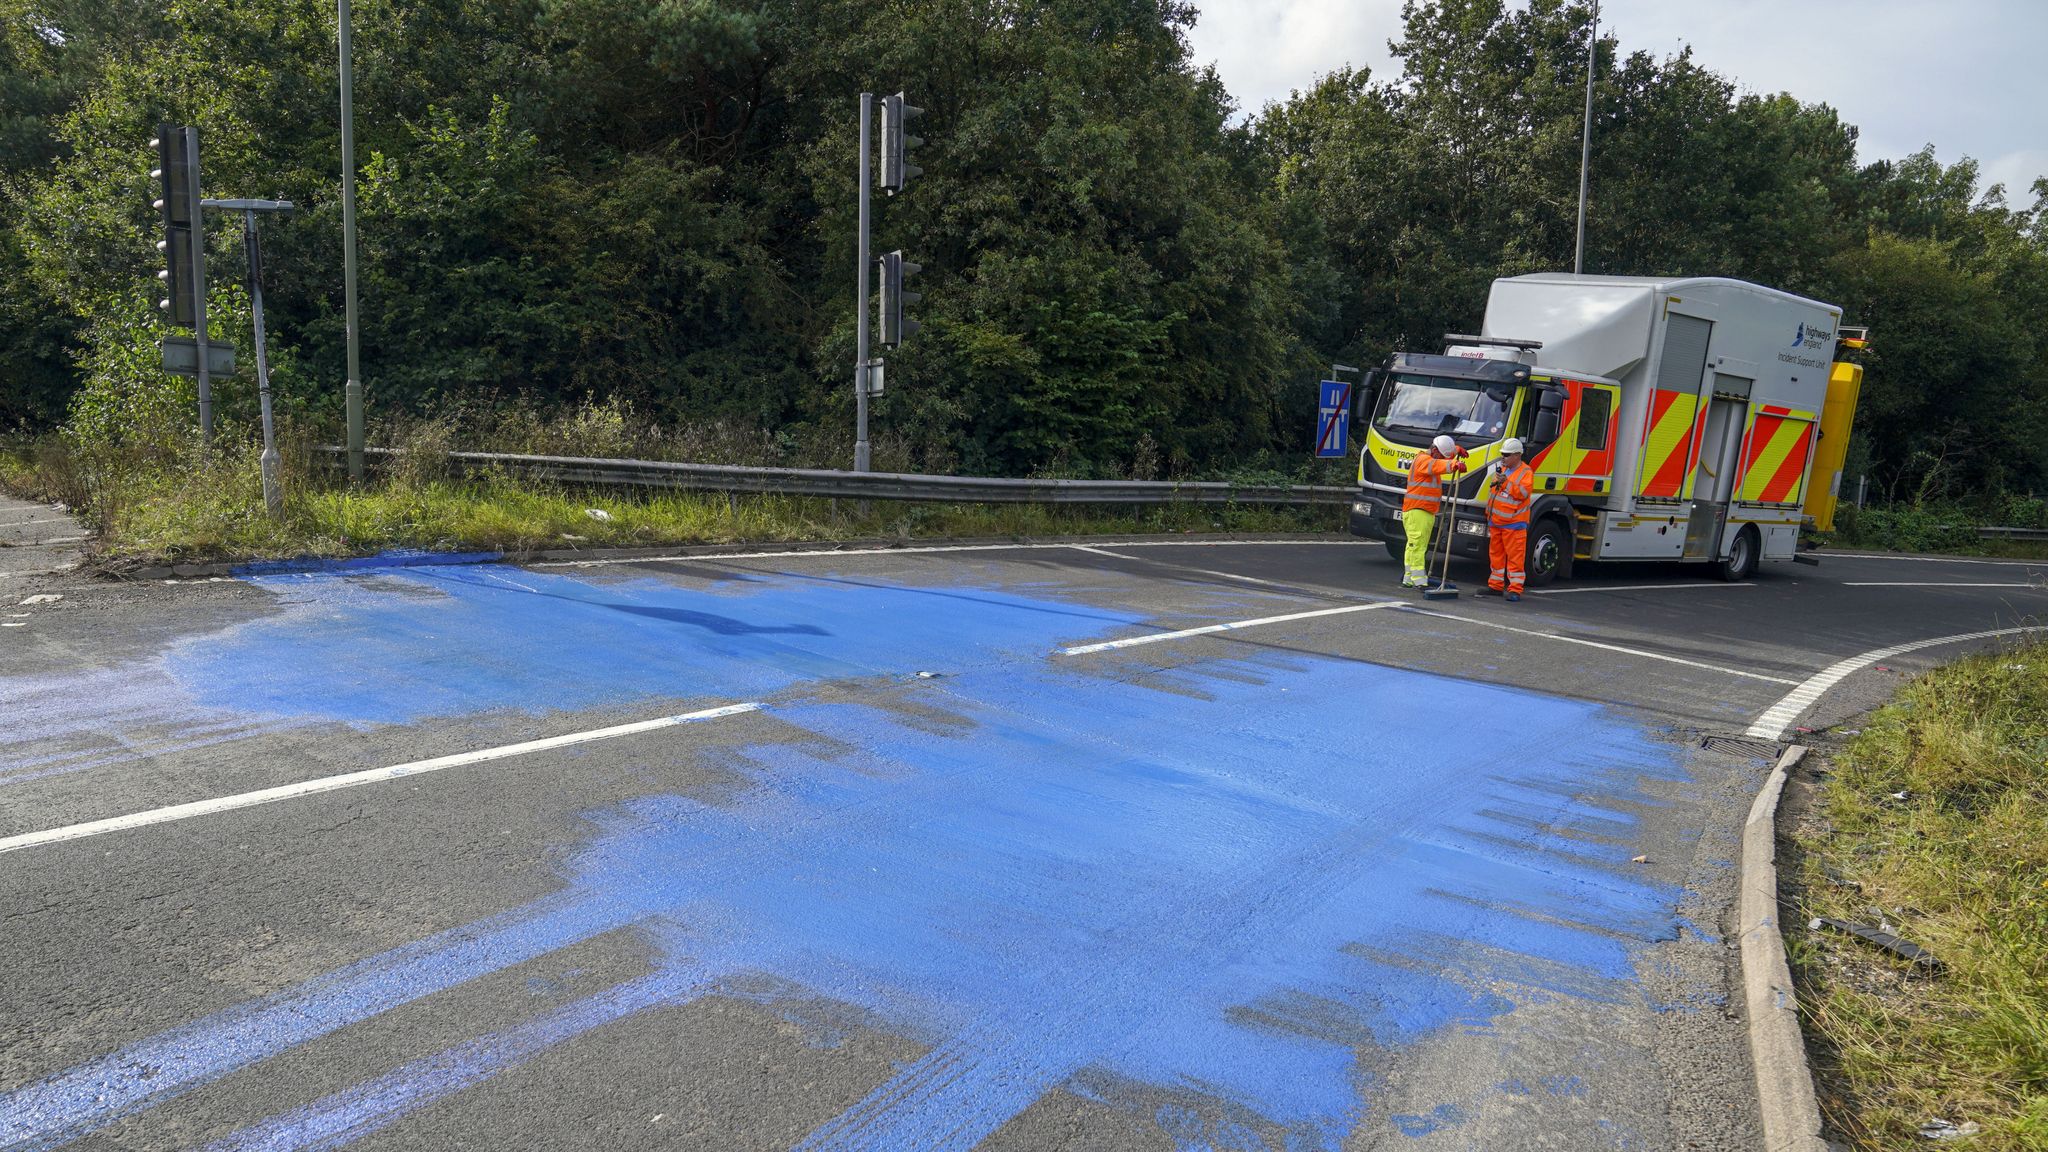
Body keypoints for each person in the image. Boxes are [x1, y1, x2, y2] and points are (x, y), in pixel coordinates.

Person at [1401, 434, 1468, 588]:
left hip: (1422, 510)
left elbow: (1441, 459)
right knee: (1418, 546)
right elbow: (1437, 465)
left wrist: (1456, 450)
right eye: (1442, 455)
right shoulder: (1424, 460)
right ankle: (1419, 581)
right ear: (1435, 450)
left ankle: (1409, 578)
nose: (1443, 458)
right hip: (1418, 510)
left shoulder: (1431, 457)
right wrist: (1454, 464)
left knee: (1414, 545)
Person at [1479, 437, 1536, 601]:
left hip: (1514, 524)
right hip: (1496, 522)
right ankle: (1495, 586)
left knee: (1515, 558)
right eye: (1502, 454)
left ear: (1517, 455)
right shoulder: (1503, 469)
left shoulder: (1526, 472)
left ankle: (1515, 590)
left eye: (1506, 455)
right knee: (1496, 556)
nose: (1503, 457)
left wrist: (1506, 483)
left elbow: (1522, 494)